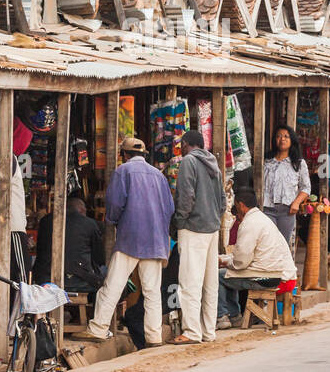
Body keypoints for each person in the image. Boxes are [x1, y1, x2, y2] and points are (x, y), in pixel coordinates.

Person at [86, 136, 174, 347]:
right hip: (155, 239)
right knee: (152, 291)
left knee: (114, 284)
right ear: (143, 155)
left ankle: (98, 328)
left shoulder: (122, 171)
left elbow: (115, 203)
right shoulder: (159, 176)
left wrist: (112, 221)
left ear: (124, 155)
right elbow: (170, 208)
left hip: (131, 237)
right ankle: (154, 337)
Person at [171, 128, 227, 344]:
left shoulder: (188, 162)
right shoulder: (213, 164)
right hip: (212, 228)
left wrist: (180, 221)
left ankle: (192, 331)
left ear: (186, 144)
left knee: (189, 281)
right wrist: (214, 219)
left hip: (193, 228)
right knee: (210, 282)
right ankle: (208, 331)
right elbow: (222, 200)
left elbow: (186, 196)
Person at [219, 190, 297, 322]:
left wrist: (225, 262)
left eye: (237, 206)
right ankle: (234, 315)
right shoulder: (262, 219)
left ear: (241, 205)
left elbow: (241, 262)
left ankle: (223, 316)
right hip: (277, 275)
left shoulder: (249, 223)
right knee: (228, 273)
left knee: (220, 275)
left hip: (267, 278)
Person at [32, 196, 106, 293]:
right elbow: (99, 258)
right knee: (105, 272)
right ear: (83, 210)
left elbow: (40, 251)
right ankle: (95, 307)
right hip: (79, 281)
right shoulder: (90, 224)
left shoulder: (45, 221)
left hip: (46, 279)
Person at [0, 143, 29, 280]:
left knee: (0, 277)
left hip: (0, 225)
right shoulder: (7, 157)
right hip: (10, 227)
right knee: (20, 278)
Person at [261, 125, 310, 248]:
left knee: (283, 245)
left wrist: (296, 203)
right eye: (278, 136)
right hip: (267, 209)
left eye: (286, 136)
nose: (282, 139)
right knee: (268, 244)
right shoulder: (266, 161)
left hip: (287, 211)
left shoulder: (298, 163)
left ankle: (283, 268)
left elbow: (306, 188)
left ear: (291, 140)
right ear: (274, 140)